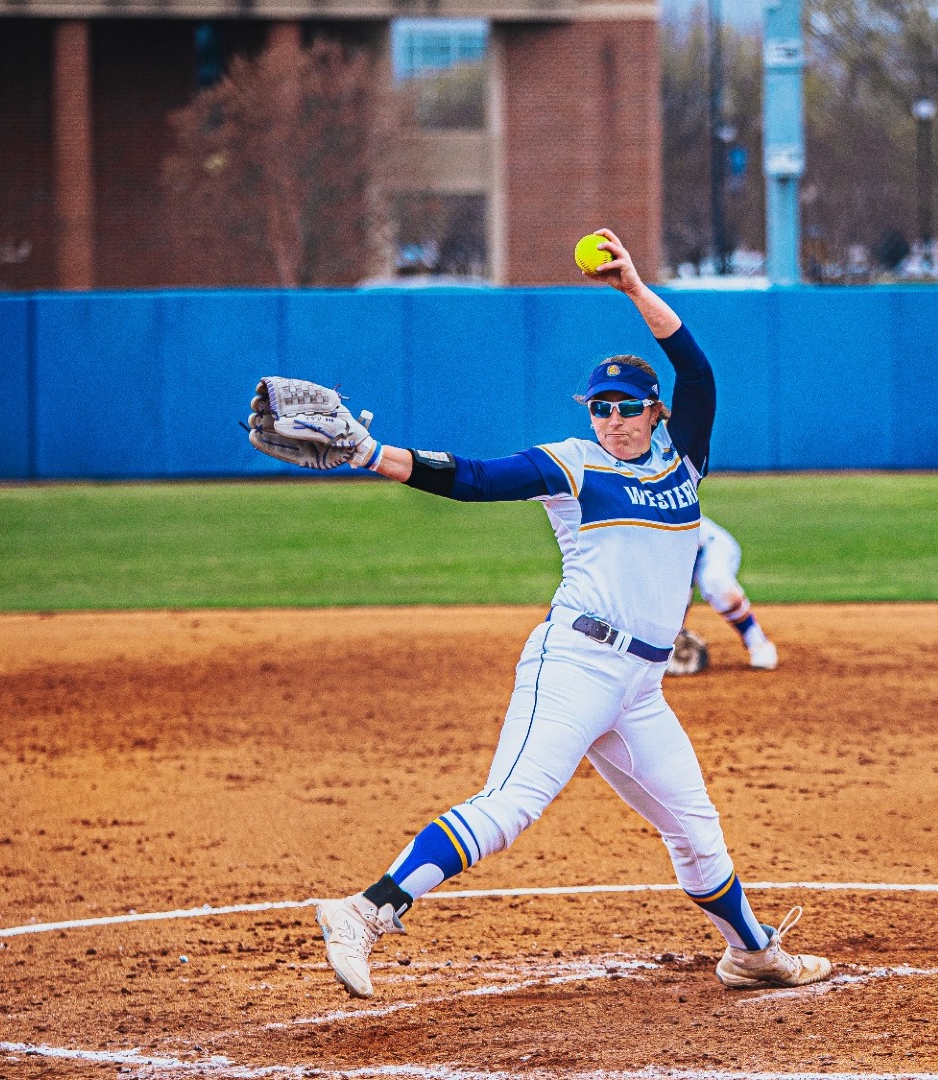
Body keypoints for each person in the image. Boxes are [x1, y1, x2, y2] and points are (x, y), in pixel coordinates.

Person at [250, 229, 832, 1000]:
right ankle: (364, 912)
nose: (612, 419)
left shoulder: (683, 460)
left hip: (642, 688)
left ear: (655, 412)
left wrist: (631, 286)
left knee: (695, 827)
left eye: (626, 407)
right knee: (511, 805)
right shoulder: (572, 463)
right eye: (600, 407)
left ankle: (751, 952)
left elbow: (696, 366)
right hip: (576, 664)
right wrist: (371, 454)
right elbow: (475, 477)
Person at [668, 517, 779, 675]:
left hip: (712, 547)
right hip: (681, 555)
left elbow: (683, 575)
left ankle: (758, 643)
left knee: (714, 582)